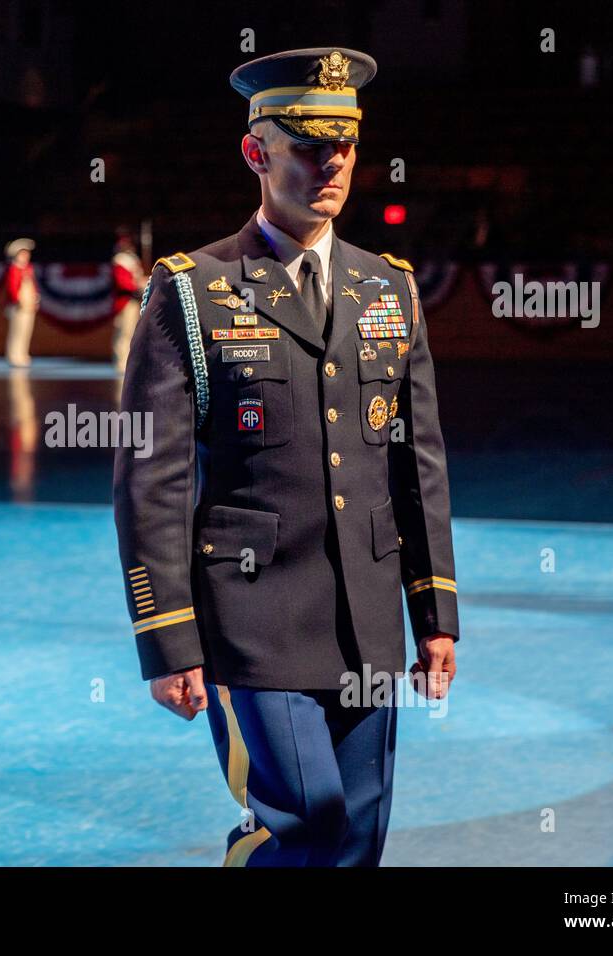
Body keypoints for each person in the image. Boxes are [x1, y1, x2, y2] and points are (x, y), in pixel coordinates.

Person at [112, 48, 460, 867]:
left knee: (358, 841)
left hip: (368, 618)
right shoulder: (193, 289)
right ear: (255, 153)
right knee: (305, 820)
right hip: (252, 619)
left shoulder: (389, 288)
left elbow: (420, 463)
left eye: (344, 142)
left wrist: (435, 614)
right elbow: (150, 476)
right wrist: (167, 637)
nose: (331, 160)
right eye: (307, 142)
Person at [110, 233, 146, 374]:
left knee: (131, 333)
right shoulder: (120, 261)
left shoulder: (132, 260)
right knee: (123, 332)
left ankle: (128, 362)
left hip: (134, 301)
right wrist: (137, 286)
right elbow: (123, 283)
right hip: (125, 302)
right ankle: (121, 362)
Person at [2, 238, 38, 367]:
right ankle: (14, 355)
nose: (26, 256)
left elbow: (32, 286)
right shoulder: (13, 269)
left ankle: (23, 354)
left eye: (27, 253)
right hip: (17, 306)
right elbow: (12, 287)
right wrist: (17, 300)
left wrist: (35, 299)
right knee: (17, 331)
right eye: (23, 253)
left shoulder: (28, 268)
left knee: (25, 331)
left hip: (28, 305)